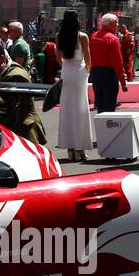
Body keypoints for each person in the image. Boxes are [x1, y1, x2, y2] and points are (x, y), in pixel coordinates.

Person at [0, 39, 47, 144]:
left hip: (23, 133)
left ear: (1, 59)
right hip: (7, 133)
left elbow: (2, 108)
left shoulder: (15, 76)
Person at [56, 10, 92, 163]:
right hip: (79, 72)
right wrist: (86, 71)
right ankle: (79, 148)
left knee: (67, 110)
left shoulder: (59, 36)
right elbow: (88, 58)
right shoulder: (82, 36)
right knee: (80, 110)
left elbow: (58, 56)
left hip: (67, 71)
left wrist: (65, 68)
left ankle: (70, 149)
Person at [90, 13, 127, 114]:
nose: (117, 25)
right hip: (108, 74)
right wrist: (123, 82)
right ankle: (108, 128)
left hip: (95, 73)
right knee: (109, 106)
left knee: (100, 105)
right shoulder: (112, 39)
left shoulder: (93, 36)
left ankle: (101, 128)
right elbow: (118, 62)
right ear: (110, 23)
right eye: (116, 23)